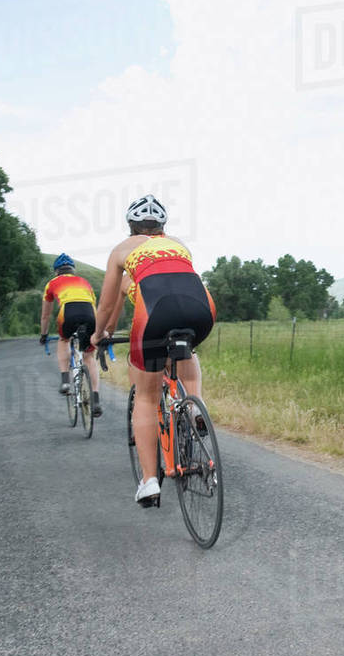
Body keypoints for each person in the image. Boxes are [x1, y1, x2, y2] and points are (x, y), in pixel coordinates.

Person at [91, 194, 216, 507]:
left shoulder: (122, 249)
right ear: (162, 226)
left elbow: (107, 304)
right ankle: (194, 407)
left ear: (131, 226)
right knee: (189, 353)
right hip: (202, 308)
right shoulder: (178, 244)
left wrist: (97, 334)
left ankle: (149, 482)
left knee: (145, 397)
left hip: (155, 313)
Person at [40, 253, 103, 417]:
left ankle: (65, 381)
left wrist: (44, 335)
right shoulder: (85, 282)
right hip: (90, 314)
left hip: (68, 312)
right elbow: (93, 304)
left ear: (56, 271)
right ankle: (95, 400)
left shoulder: (52, 283)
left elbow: (45, 315)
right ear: (73, 270)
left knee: (64, 339)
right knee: (89, 355)